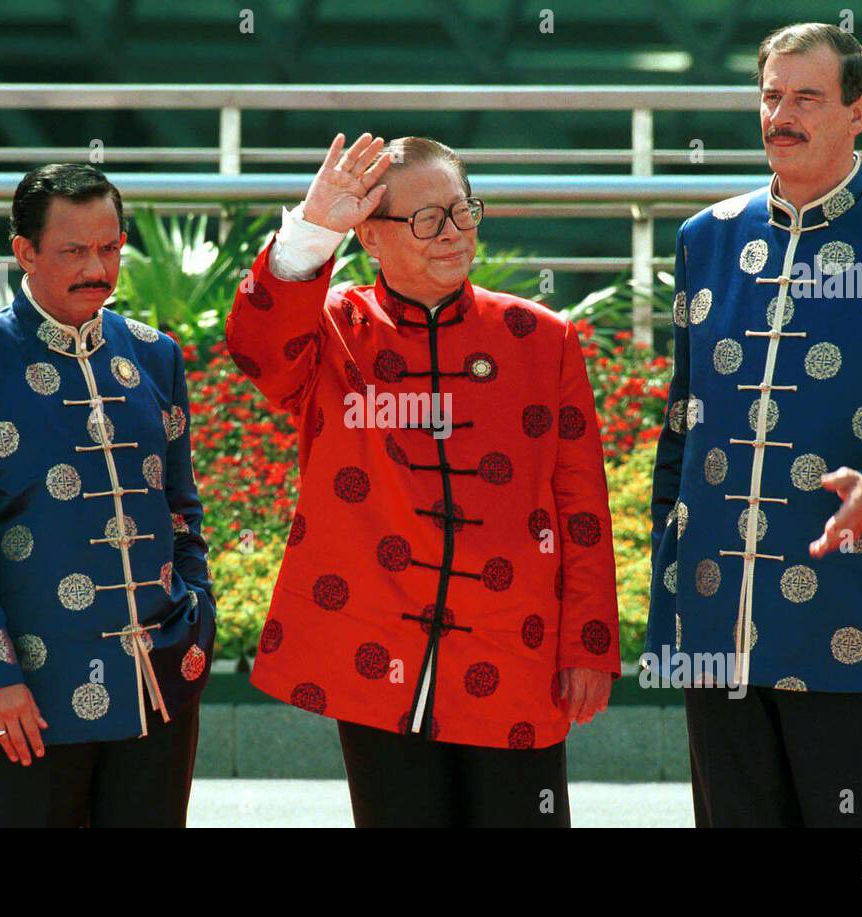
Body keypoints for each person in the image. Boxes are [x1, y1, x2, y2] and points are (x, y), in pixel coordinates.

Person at [646, 24, 862, 827]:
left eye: (806, 96)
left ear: (858, 110)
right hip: (715, 615)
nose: (782, 113)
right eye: (771, 95)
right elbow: (681, 418)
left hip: (858, 611)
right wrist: (669, 553)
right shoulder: (707, 239)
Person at [225, 134, 621, 827]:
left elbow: (580, 502)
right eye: (427, 219)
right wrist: (313, 227)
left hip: (516, 645)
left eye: (462, 210)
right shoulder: (335, 329)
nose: (454, 232)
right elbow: (257, 350)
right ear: (371, 239)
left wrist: (588, 640)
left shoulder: (543, 336)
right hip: (375, 649)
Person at [0, 163, 215, 827]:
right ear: (24, 251)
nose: (98, 268)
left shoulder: (155, 355)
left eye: (110, 248)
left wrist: (199, 620)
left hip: (159, 683)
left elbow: (182, 509)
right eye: (75, 250)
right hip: (29, 698)